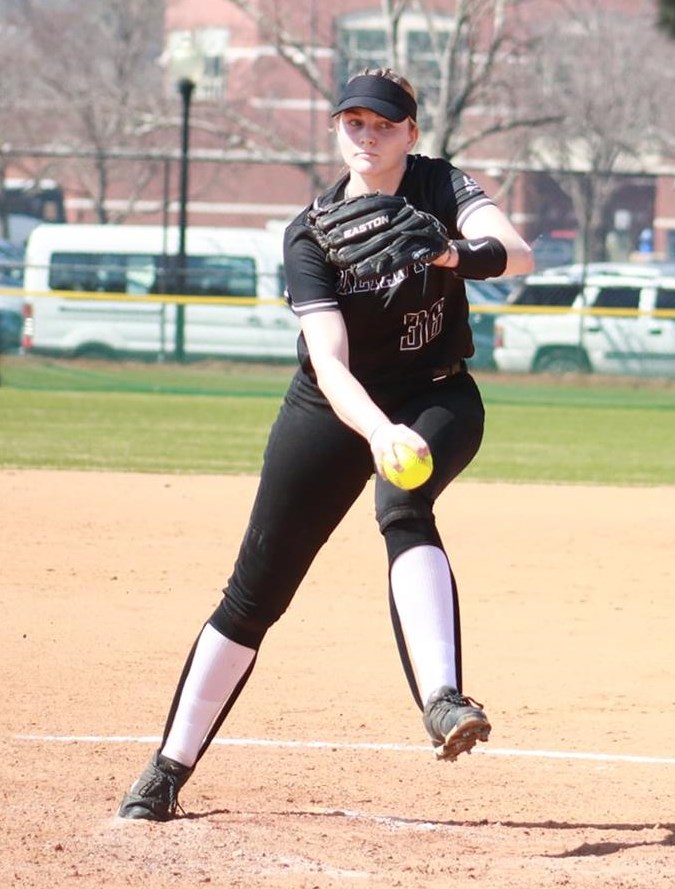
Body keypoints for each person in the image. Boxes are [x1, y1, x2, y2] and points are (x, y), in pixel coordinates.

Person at [117, 69, 534, 821]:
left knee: (403, 505)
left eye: (382, 123)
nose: (366, 135)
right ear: (338, 131)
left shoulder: (441, 187)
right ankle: (166, 769)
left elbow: (516, 252)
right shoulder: (310, 232)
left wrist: (450, 255)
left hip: (438, 393)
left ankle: (442, 700)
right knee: (253, 593)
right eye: (353, 123)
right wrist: (378, 430)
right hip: (339, 406)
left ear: (411, 132)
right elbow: (331, 363)